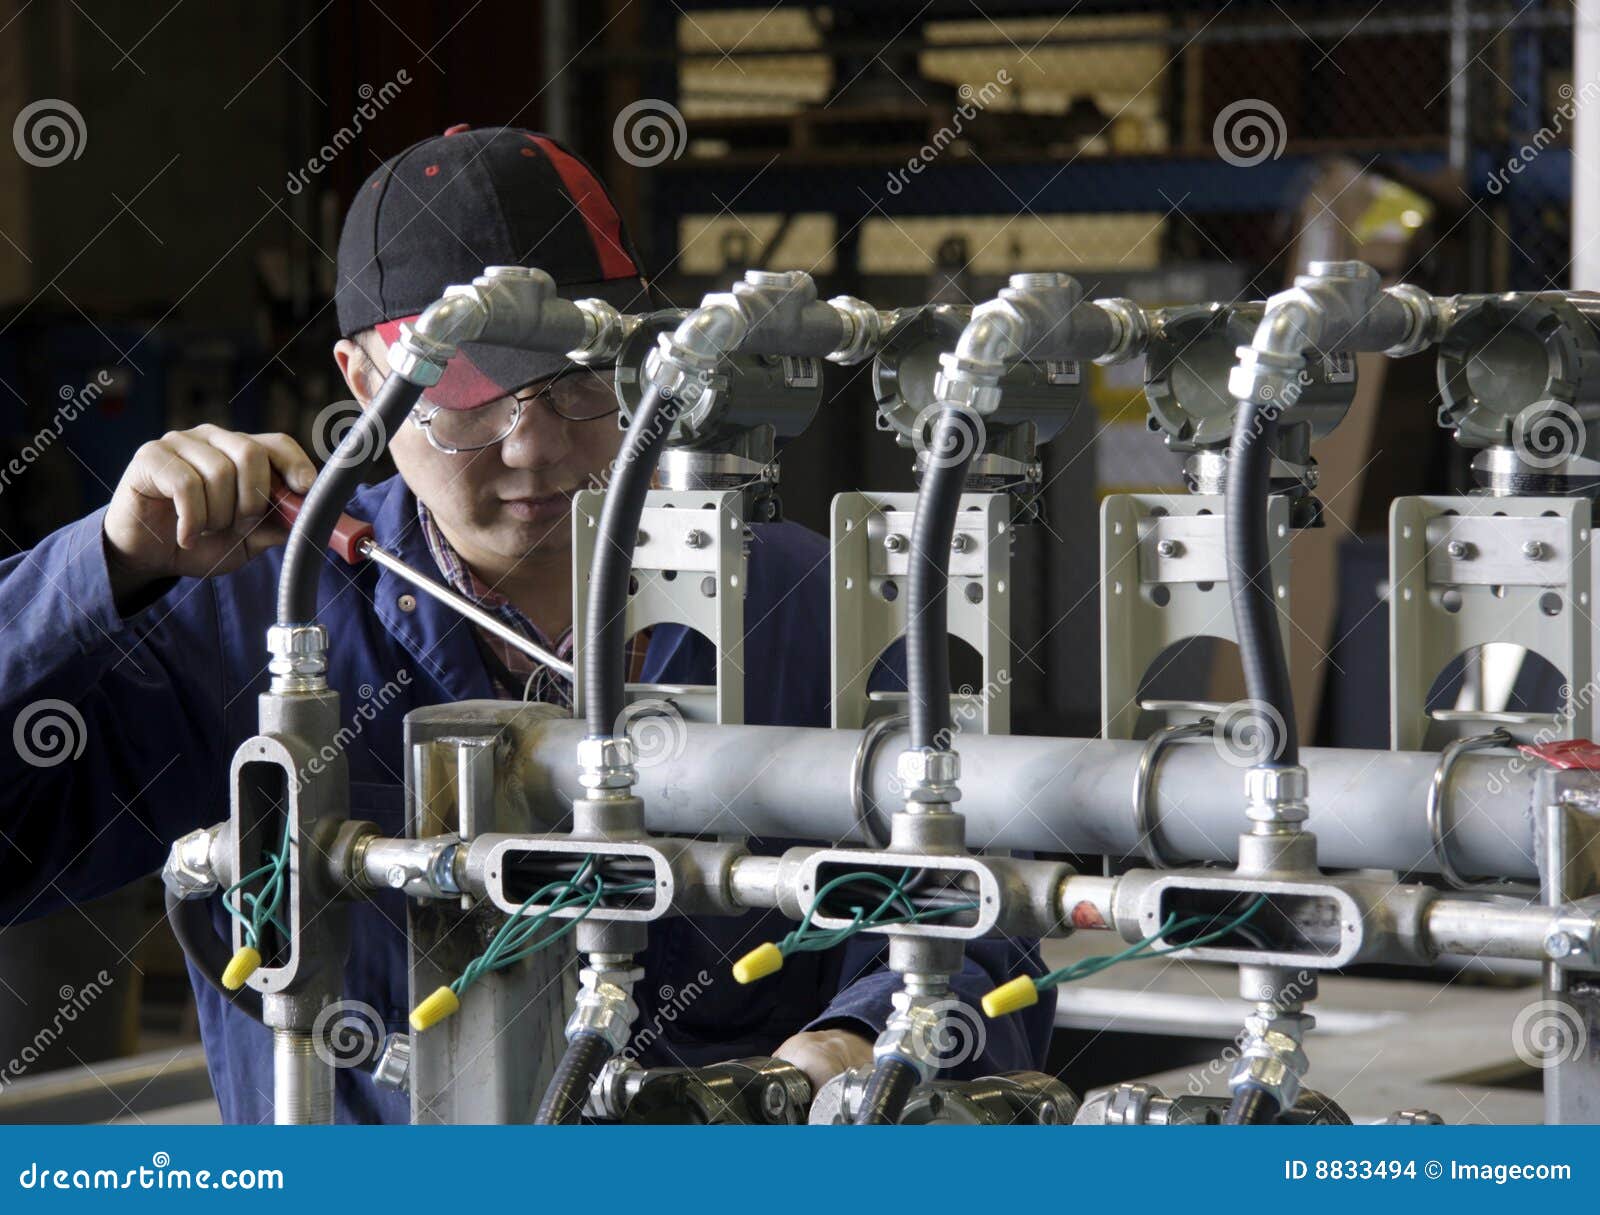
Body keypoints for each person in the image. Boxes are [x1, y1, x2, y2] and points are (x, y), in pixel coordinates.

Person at [0, 125, 1051, 1123]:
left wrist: (852, 1048)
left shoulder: (804, 605)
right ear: (361, 380)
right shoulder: (246, 616)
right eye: (466, 400)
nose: (534, 449)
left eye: (575, 381)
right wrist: (99, 566)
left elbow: (986, 925)